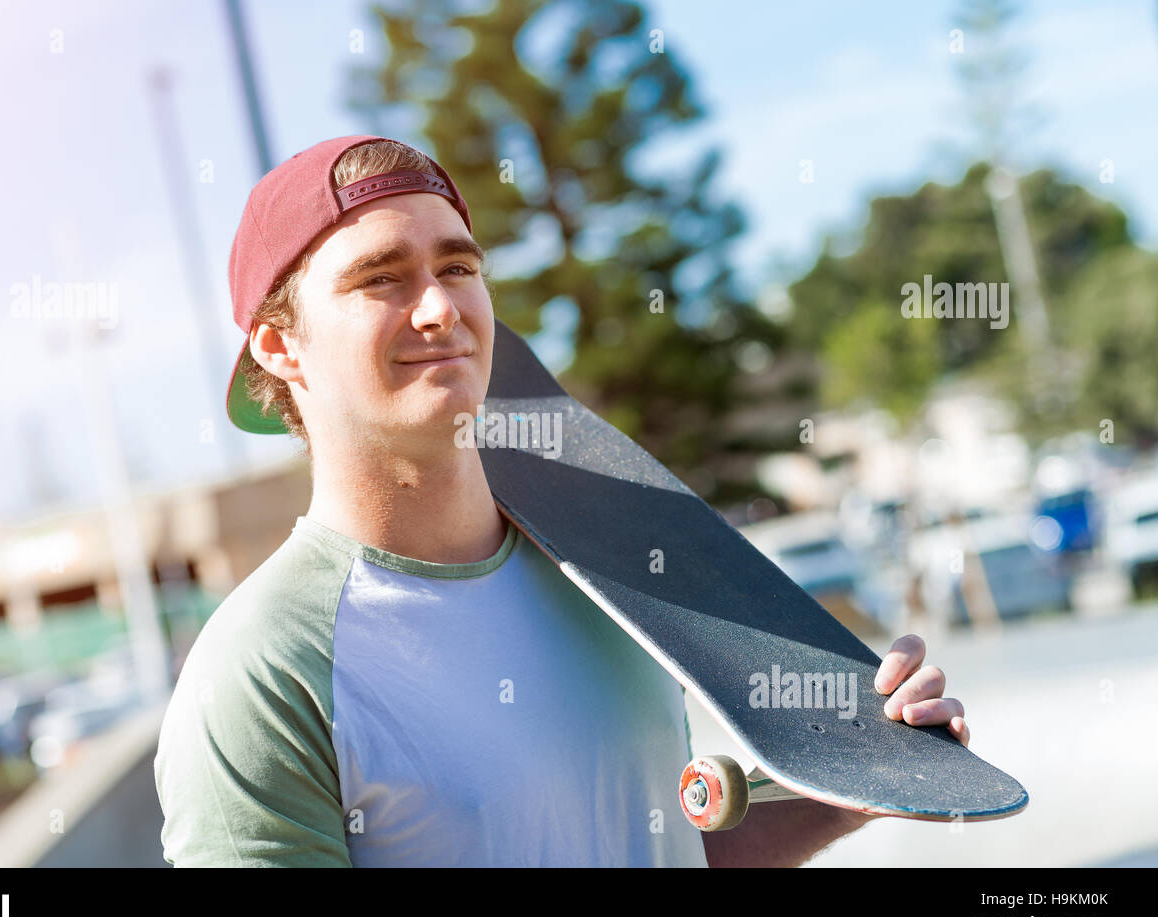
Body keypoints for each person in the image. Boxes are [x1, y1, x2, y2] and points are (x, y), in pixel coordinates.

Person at [153, 135, 971, 867]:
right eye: (381, 279)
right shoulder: (261, 672)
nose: (441, 308)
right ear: (279, 343)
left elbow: (660, 844)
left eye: (458, 267)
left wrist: (851, 776)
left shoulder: (604, 560)